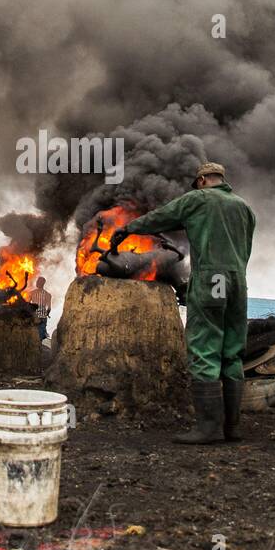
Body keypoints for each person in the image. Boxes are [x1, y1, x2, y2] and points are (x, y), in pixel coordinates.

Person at [114, 162, 256, 444]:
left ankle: (208, 428)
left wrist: (128, 228)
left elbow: (161, 217)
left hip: (210, 279)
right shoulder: (244, 209)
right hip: (238, 282)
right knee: (232, 351)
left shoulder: (197, 199)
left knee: (204, 347)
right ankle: (232, 428)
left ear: (202, 180)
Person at [28, 276, 53, 342]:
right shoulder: (48, 294)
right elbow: (49, 308)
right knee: (40, 336)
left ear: (41, 283)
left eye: (37, 281)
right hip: (42, 317)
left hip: (34, 317)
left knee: (33, 335)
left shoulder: (32, 293)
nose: (36, 282)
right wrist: (47, 313)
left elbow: (28, 304)